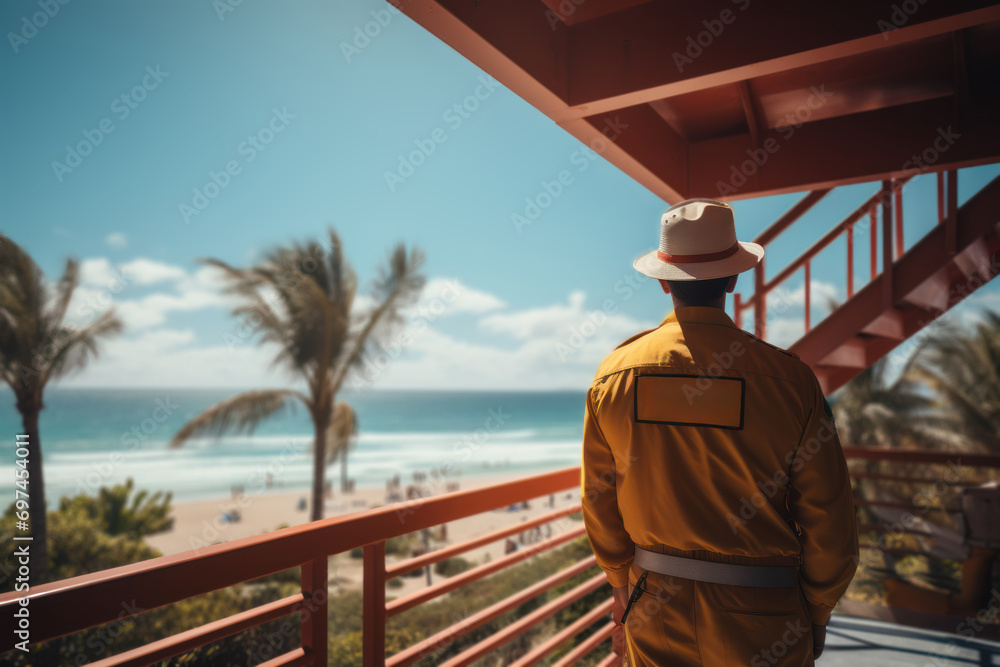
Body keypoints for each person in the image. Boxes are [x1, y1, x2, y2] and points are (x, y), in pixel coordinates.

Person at [581, 199, 858, 666]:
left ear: (664, 280)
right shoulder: (789, 381)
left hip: (654, 607)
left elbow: (600, 498)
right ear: (733, 279)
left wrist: (619, 588)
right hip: (765, 616)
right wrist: (818, 610)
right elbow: (829, 515)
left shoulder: (615, 374)